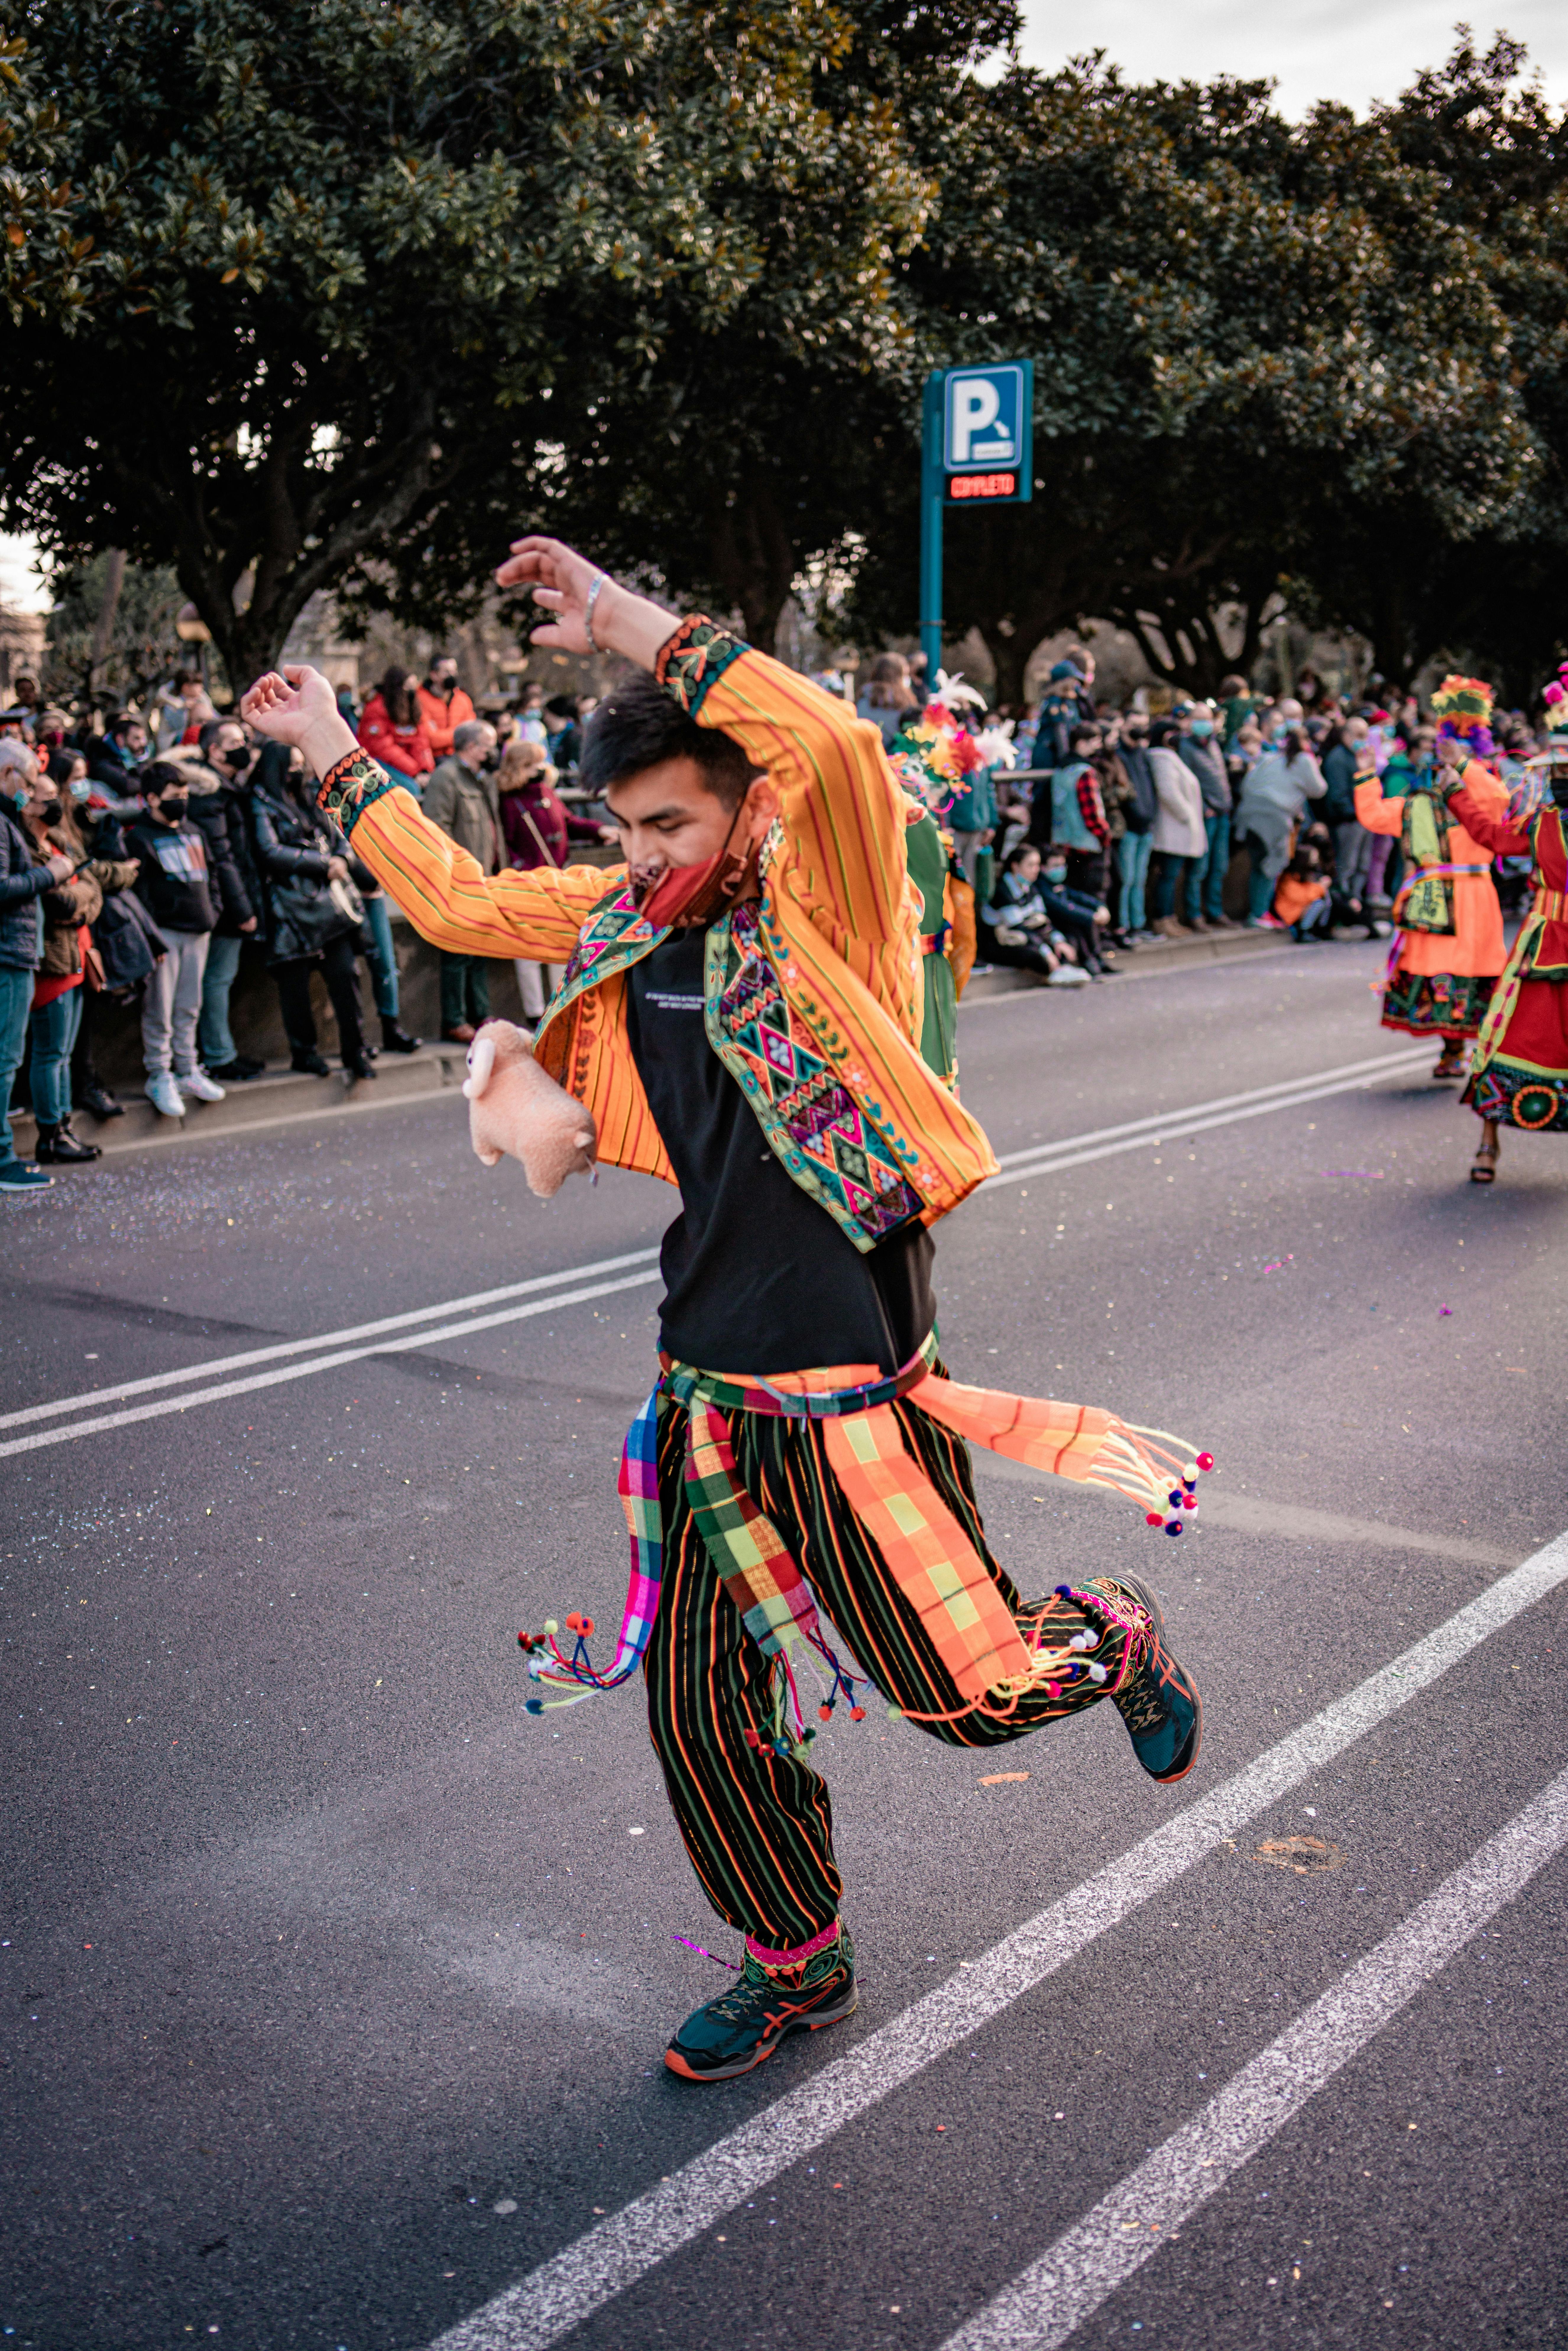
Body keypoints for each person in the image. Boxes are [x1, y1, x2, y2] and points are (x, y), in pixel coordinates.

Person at [240, 535, 1208, 2083]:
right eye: (624, 830)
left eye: (671, 823)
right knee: (696, 1716)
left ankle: (1112, 1632)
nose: (644, 857)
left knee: (962, 1703)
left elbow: (826, 741)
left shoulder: (836, 907)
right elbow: (464, 902)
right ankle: (795, 1962)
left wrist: (620, 620)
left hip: (856, 1399)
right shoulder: (635, 922)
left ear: (749, 804)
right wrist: (329, 748)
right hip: (703, 1397)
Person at [1353, 678, 1506, 1081]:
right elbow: (1374, 816)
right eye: (1439, 764)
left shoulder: (1483, 803)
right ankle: (1452, 1049)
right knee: (1440, 974)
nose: (1442, 771)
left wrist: (1463, 764)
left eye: (1450, 764)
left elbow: (1496, 798)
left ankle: (1483, 1050)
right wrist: (1366, 775)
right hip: (1434, 898)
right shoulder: (1417, 806)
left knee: (1477, 973)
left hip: (1474, 900)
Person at [1448, 677, 1568, 1179]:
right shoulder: (1539, 821)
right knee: (1504, 1037)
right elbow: (1490, 836)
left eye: (1565, 768)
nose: (1560, 774)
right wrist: (1456, 793)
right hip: (1542, 944)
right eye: (1556, 768)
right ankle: (1487, 1144)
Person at [248, 741, 375, 1080]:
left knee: (346, 976)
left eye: (301, 763)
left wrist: (341, 860)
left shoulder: (312, 795)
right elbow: (268, 850)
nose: (298, 770)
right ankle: (304, 1053)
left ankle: (356, 1051)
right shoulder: (261, 801)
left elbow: (341, 837)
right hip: (291, 906)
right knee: (295, 987)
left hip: (331, 905)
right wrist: (322, 865)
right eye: (292, 764)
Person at [45, 749, 142, 1122]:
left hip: (84, 932)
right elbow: (76, 882)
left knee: (77, 1027)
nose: (82, 785)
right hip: (66, 938)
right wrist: (113, 876)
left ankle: (78, 1092)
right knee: (58, 1041)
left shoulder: (81, 816)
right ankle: (64, 1108)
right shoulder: (56, 825)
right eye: (76, 777)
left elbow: (81, 878)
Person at [127, 762, 226, 1118]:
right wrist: (153, 934)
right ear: (151, 798)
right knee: (160, 1009)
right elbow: (140, 891)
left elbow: (212, 874)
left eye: (185, 796)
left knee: (188, 1005)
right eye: (174, 797)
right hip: (165, 935)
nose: (182, 802)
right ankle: (160, 1073)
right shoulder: (140, 837)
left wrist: (213, 912)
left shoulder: (194, 831)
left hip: (198, 930)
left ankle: (188, 1069)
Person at [496, 736, 613, 1025]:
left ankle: (559, 1002)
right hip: (528, 884)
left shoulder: (546, 791)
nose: (542, 766)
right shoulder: (510, 801)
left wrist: (600, 830)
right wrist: (521, 872)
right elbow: (507, 844)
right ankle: (536, 1011)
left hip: (557, 880)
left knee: (560, 944)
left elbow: (569, 823)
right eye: (535, 762)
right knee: (529, 951)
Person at [179, 719, 267, 1082]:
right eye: (233, 741)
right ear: (214, 750)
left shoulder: (224, 789)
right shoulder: (209, 795)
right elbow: (223, 856)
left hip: (222, 899)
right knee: (217, 978)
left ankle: (220, 1050)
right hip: (221, 904)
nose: (243, 745)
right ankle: (218, 1054)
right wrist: (242, 908)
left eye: (244, 739)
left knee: (217, 978)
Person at [0, 744, 68, 1192]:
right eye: (24, 783)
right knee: (6, 1059)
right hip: (8, 953)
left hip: (13, 951)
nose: (27, 794)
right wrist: (54, 874)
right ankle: (3, 1156)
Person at [425, 718, 501, 1040]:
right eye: (489, 745)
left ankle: (481, 1014)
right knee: (457, 953)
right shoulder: (447, 778)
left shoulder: (480, 779)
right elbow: (436, 829)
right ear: (472, 747)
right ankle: (454, 1020)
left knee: (479, 950)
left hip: (484, 878)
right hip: (458, 880)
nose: (493, 752)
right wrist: (456, 872)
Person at [1235, 727, 1324, 925]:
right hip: (1274, 819)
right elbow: (1319, 790)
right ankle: (1260, 913)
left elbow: (1246, 785)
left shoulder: (1269, 758)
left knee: (1259, 865)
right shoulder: (1304, 760)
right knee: (1271, 867)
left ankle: (1258, 913)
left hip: (1248, 816)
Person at [979, 843, 1090, 987]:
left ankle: (1063, 969)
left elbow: (1043, 921)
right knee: (1034, 950)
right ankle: (1055, 971)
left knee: (1065, 940)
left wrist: (1058, 941)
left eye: (1037, 865)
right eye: (1030, 865)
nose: (1036, 870)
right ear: (1015, 866)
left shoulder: (1031, 887)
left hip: (1028, 936)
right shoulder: (1003, 892)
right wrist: (1046, 952)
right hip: (1001, 944)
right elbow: (1019, 927)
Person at [1173, 700, 1233, 928]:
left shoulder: (1215, 744)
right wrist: (1204, 807)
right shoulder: (1185, 747)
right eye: (1198, 719)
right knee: (1200, 867)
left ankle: (1215, 911)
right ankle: (1194, 913)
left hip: (1223, 812)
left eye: (1207, 719)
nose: (1204, 724)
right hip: (1205, 814)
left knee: (1220, 866)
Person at [1146, 720, 1207, 937]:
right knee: (1168, 876)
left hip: (1178, 827)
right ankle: (1163, 919)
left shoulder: (1170, 757)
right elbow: (1169, 792)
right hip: (1173, 828)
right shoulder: (1161, 759)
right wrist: (1187, 816)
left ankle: (1169, 918)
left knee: (1171, 876)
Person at [1114, 715, 1158, 940]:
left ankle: (1138, 924)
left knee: (1140, 880)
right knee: (1127, 880)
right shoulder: (1118, 756)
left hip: (1146, 827)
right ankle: (1125, 925)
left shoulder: (1143, 755)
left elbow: (1151, 788)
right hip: (1130, 828)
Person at [358, 666, 434, 793]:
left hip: (408, 767)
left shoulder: (413, 708)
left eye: (413, 687)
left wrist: (425, 770)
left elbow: (421, 742)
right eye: (407, 687)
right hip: (377, 764)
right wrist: (415, 772)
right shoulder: (376, 709)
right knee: (412, 790)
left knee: (435, 786)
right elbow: (383, 748)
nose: (411, 692)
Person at [1320, 716, 1373, 901]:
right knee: (1347, 866)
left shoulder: (1357, 756)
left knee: (1363, 865)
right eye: (1359, 735)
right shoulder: (1338, 758)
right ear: (1346, 735)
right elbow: (1338, 795)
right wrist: (1354, 814)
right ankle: (1343, 903)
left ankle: (1355, 901)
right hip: (1348, 821)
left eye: (1365, 736)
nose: (1363, 740)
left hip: (1363, 819)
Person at [415, 654, 478, 762]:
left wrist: (443, 735)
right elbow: (431, 740)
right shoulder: (420, 700)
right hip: (433, 759)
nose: (452, 676)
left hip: (462, 756)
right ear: (434, 675)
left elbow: (472, 733)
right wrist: (460, 734)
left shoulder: (463, 699)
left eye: (454, 671)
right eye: (447, 672)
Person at [855, 653, 913, 746]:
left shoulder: (863, 696)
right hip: (893, 757)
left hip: (864, 754)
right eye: (905, 675)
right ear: (899, 676)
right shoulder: (903, 701)